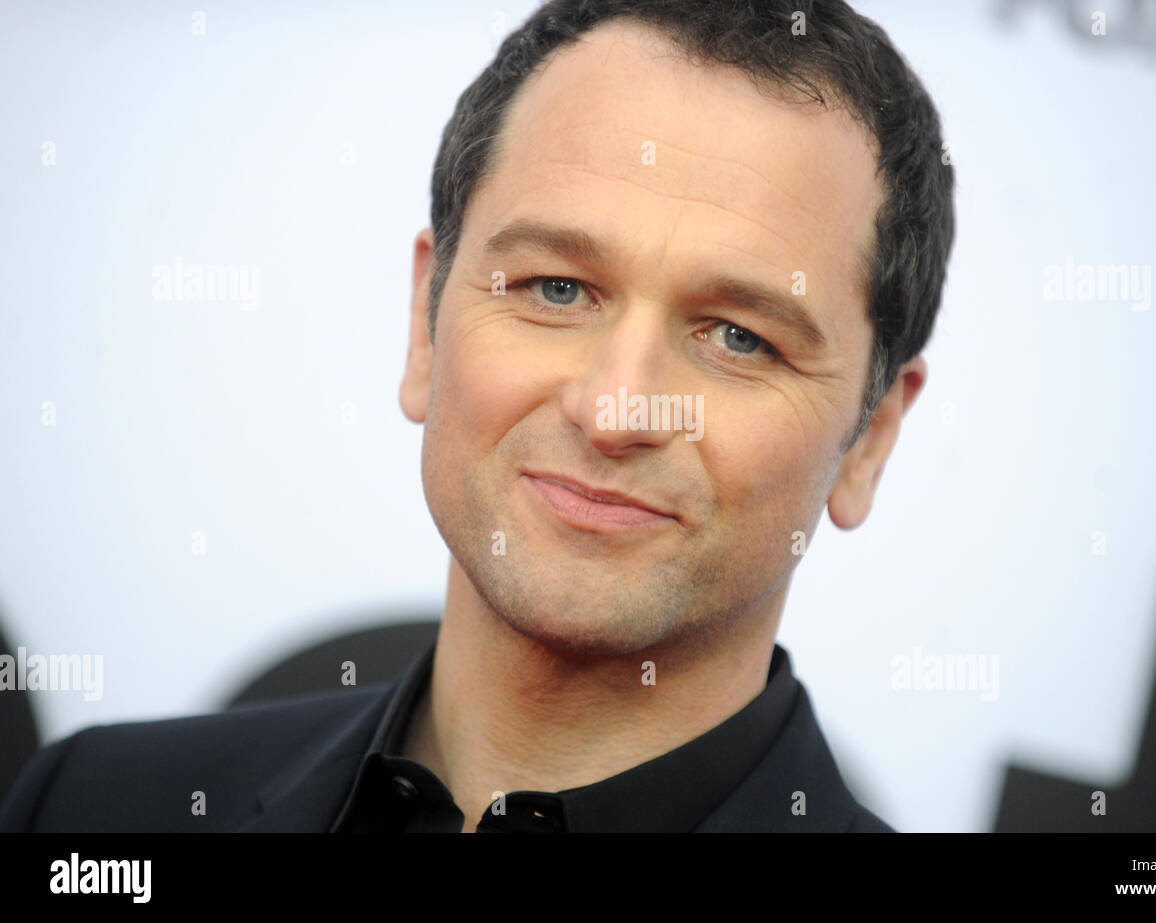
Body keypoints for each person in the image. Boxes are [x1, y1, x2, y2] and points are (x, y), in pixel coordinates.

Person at [0, 0, 954, 833]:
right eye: (555, 287)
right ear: (426, 325)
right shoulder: (96, 808)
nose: (615, 408)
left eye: (740, 337)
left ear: (869, 440)